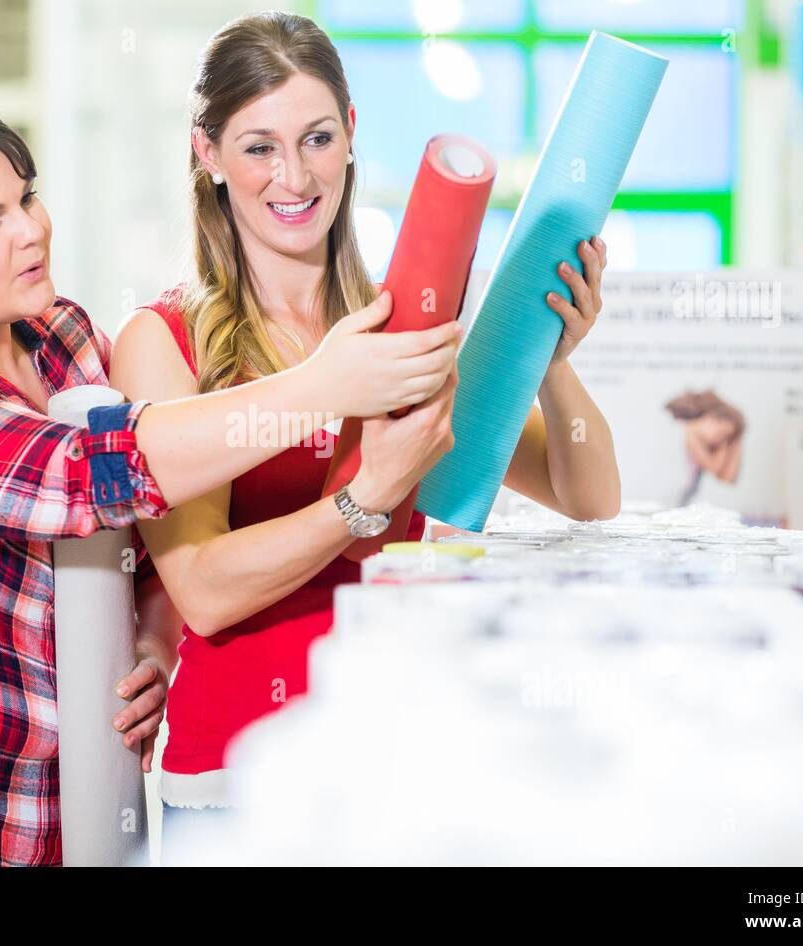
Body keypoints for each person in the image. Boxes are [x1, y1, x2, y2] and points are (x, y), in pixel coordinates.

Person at [0, 93, 459, 867]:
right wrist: (321, 389)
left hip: (34, 807)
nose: (30, 232)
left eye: (27, 196)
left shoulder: (62, 335)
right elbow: (86, 477)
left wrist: (149, 643)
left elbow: (143, 532)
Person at [106, 12, 622, 851]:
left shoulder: (408, 319)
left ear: (350, 133)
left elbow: (588, 494)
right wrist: (364, 497)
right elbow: (202, 589)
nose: (294, 176)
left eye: (314, 138)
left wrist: (552, 357)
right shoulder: (163, 341)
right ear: (207, 156)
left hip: (402, 747)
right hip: (239, 772)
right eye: (258, 147)